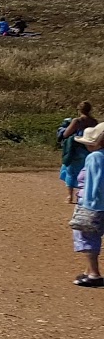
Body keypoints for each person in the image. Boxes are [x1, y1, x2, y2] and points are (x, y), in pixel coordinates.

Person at [68, 122, 104, 287]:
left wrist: (91, 204)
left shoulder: (96, 157)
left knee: (87, 236)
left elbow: (95, 183)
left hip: (93, 204)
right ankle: (89, 270)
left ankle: (94, 274)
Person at [60, 102, 99, 203]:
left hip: (76, 149)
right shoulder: (94, 121)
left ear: (79, 110)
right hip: (88, 149)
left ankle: (70, 196)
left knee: (70, 172)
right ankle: (82, 194)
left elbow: (66, 134)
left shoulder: (77, 121)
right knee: (85, 172)